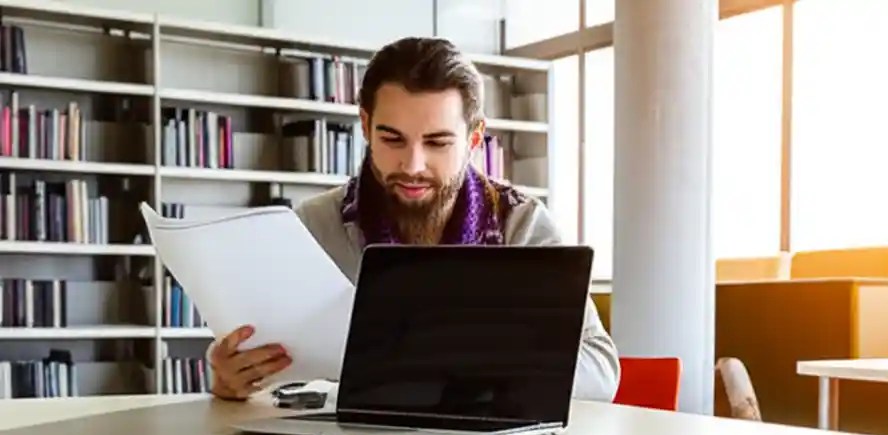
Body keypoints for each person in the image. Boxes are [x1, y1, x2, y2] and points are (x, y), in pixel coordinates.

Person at [207, 36, 620, 403]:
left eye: (438, 142)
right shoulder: (310, 228)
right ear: (366, 126)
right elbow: (270, 375)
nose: (413, 165)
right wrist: (232, 381)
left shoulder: (522, 225)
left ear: (474, 138)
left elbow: (601, 369)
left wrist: (477, 365)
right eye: (392, 139)